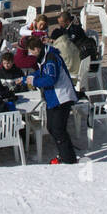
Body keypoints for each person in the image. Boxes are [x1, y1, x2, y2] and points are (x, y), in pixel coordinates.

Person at [23, 35, 79, 164]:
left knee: (58, 129)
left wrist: (34, 81)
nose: (31, 55)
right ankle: (65, 154)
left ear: (36, 49)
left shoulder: (50, 59)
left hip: (62, 97)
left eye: (31, 52)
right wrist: (30, 77)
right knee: (52, 127)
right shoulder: (44, 57)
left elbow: (50, 79)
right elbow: (42, 72)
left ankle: (69, 159)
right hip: (53, 98)